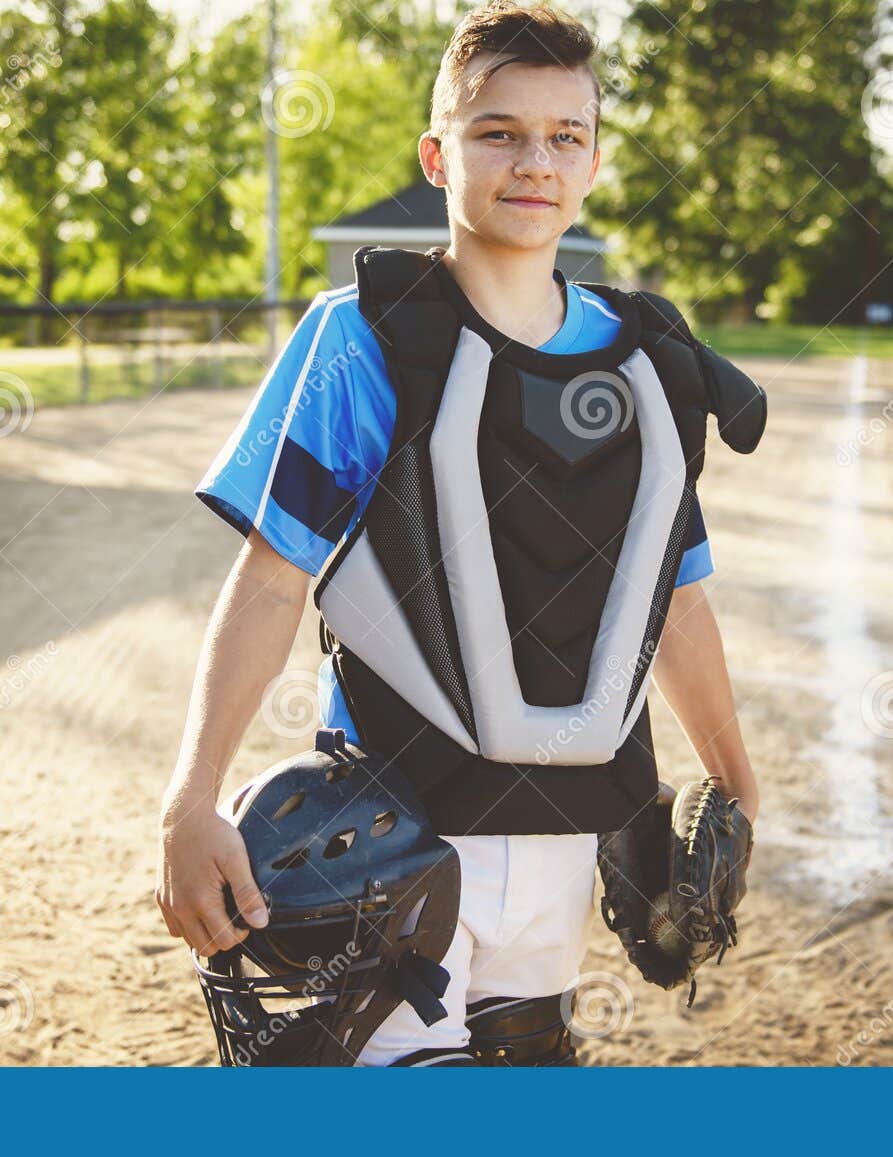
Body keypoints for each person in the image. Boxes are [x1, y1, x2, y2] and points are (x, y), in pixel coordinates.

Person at [156, 0, 762, 1066]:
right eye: (498, 132)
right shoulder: (361, 338)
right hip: (396, 835)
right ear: (439, 155)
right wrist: (188, 799)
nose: (534, 161)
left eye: (563, 135)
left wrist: (736, 779)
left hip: (571, 841)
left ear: (593, 160)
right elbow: (267, 580)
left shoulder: (652, 367)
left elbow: (676, 600)